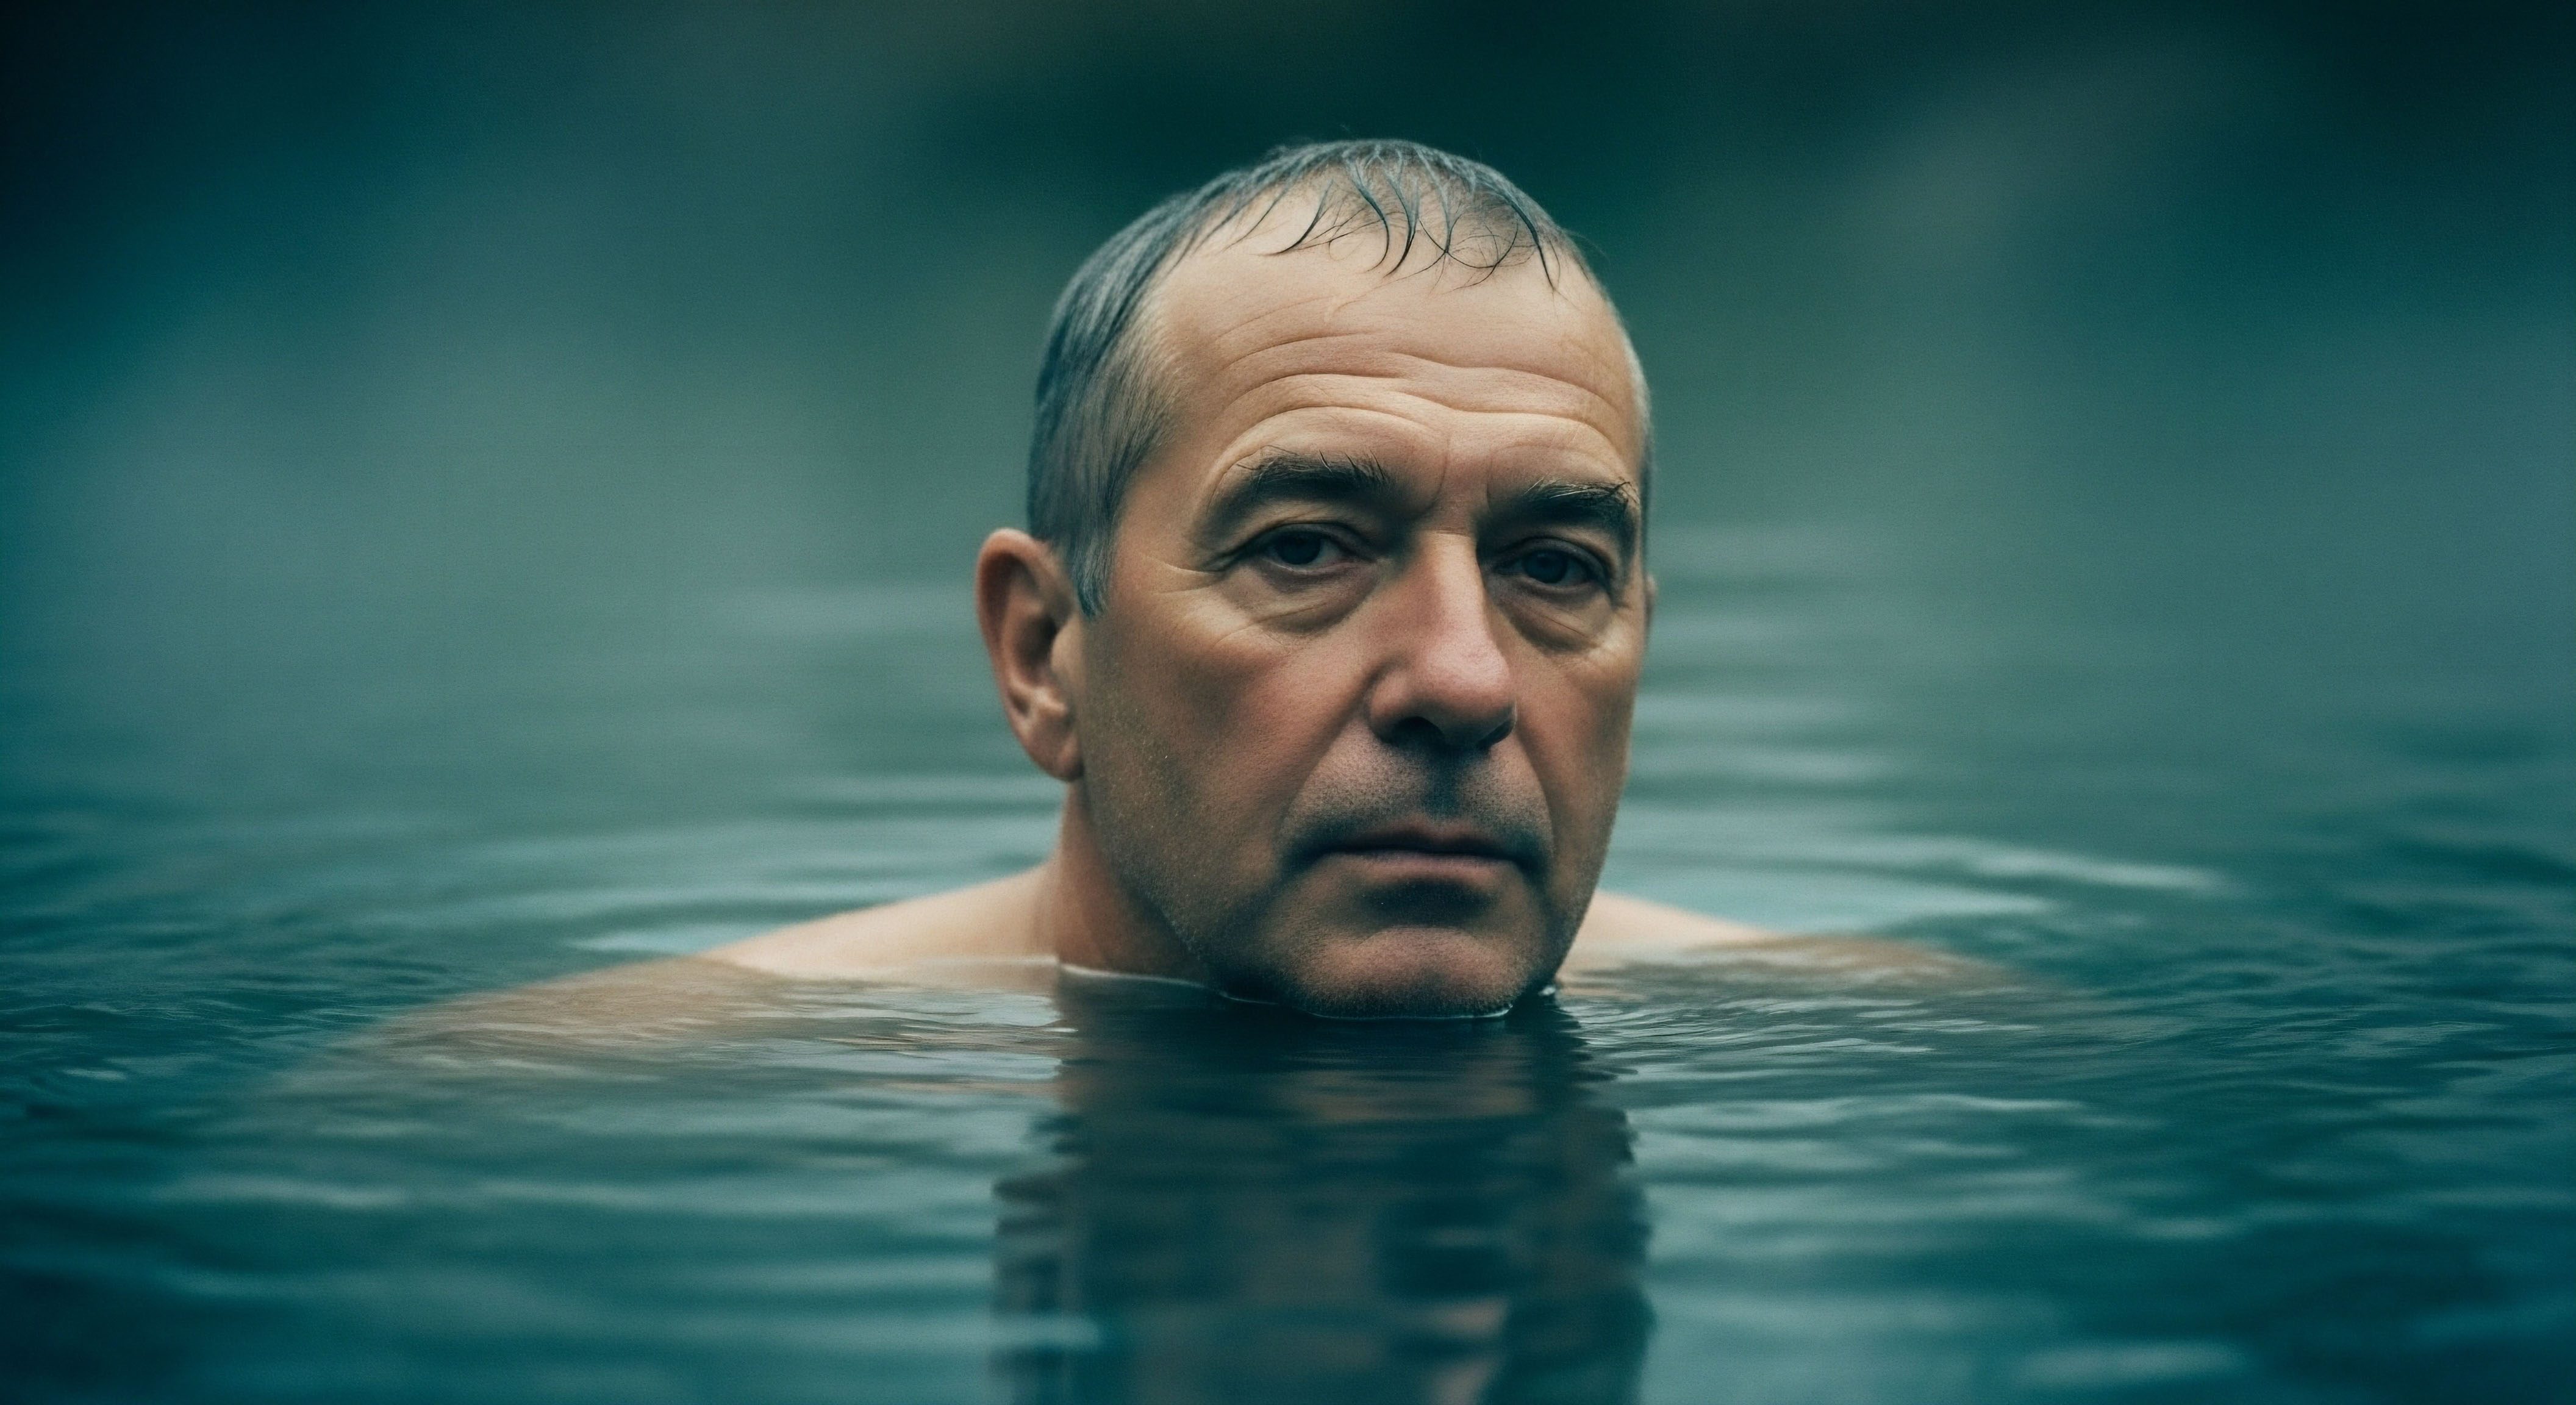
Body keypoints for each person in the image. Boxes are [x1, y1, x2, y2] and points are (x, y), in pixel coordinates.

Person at [708, 139, 1781, 1020]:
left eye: (1554, 568)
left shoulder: (1858, 1027)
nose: (1466, 684)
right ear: (1042, 656)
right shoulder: (670, 1080)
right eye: (1304, 550)